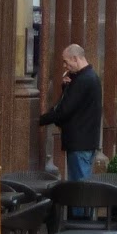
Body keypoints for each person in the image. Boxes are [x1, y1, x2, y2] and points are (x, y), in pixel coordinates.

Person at [38, 45, 102, 180]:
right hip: (86, 142)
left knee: (80, 188)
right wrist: (67, 87)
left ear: (75, 58)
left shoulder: (83, 80)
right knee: (81, 184)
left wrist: (41, 120)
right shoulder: (89, 77)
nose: (65, 66)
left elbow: (64, 110)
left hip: (79, 143)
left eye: (66, 61)